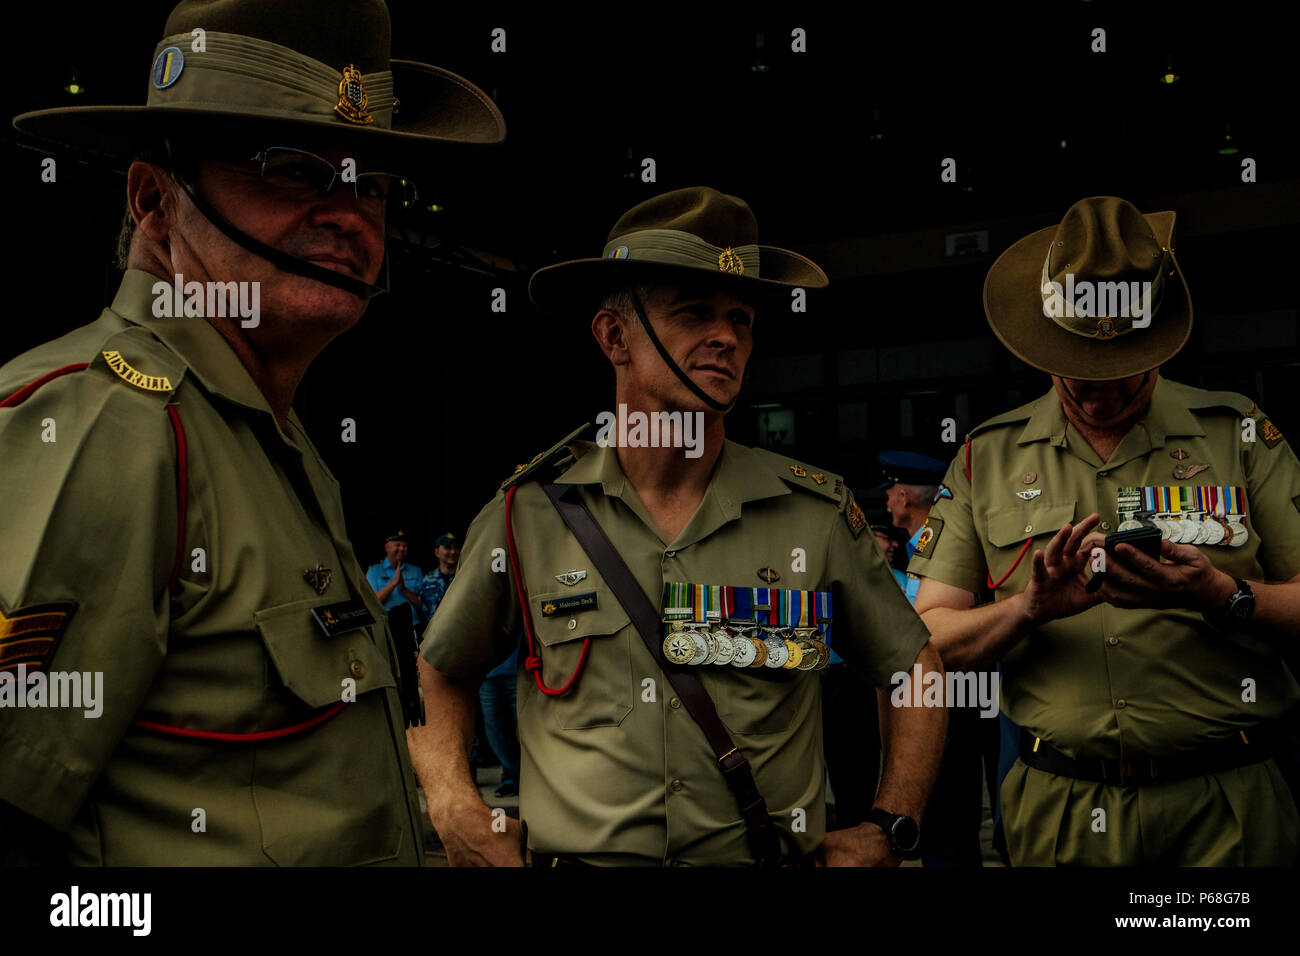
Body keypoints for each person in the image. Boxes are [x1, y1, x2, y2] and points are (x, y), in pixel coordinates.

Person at [0, 0, 505, 864]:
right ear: (156, 203)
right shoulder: (103, 425)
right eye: (295, 168)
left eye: (373, 183)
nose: (352, 214)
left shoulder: (259, 432)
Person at [410, 185, 946, 867]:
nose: (726, 337)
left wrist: (892, 825)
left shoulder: (814, 515)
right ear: (613, 335)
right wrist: (454, 803)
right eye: (694, 313)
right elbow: (438, 670)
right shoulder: (529, 514)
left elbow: (914, 667)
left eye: (741, 319)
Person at [911, 195, 1300, 865]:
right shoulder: (987, 456)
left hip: (1227, 808)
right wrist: (1027, 610)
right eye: (1078, 371)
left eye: (1121, 372)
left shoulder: (1238, 433)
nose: (1098, 394)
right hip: (1060, 811)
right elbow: (928, 645)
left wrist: (1221, 595)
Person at [367, 531, 424, 623]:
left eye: (404, 545)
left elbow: (423, 605)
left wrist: (404, 589)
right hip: (386, 626)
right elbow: (371, 602)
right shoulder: (374, 571)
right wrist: (393, 584)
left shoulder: (416, 571)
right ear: (387, 548)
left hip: (413, 626)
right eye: (397, 545)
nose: (401, 549)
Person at [416, 532, 460, 628]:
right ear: (437, 552)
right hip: (434, 634)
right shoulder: (428, 579)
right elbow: (423, 608)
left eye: (455, 547)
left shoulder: (463, 577)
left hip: (459, 633)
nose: (453, 552)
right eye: (448, 548)